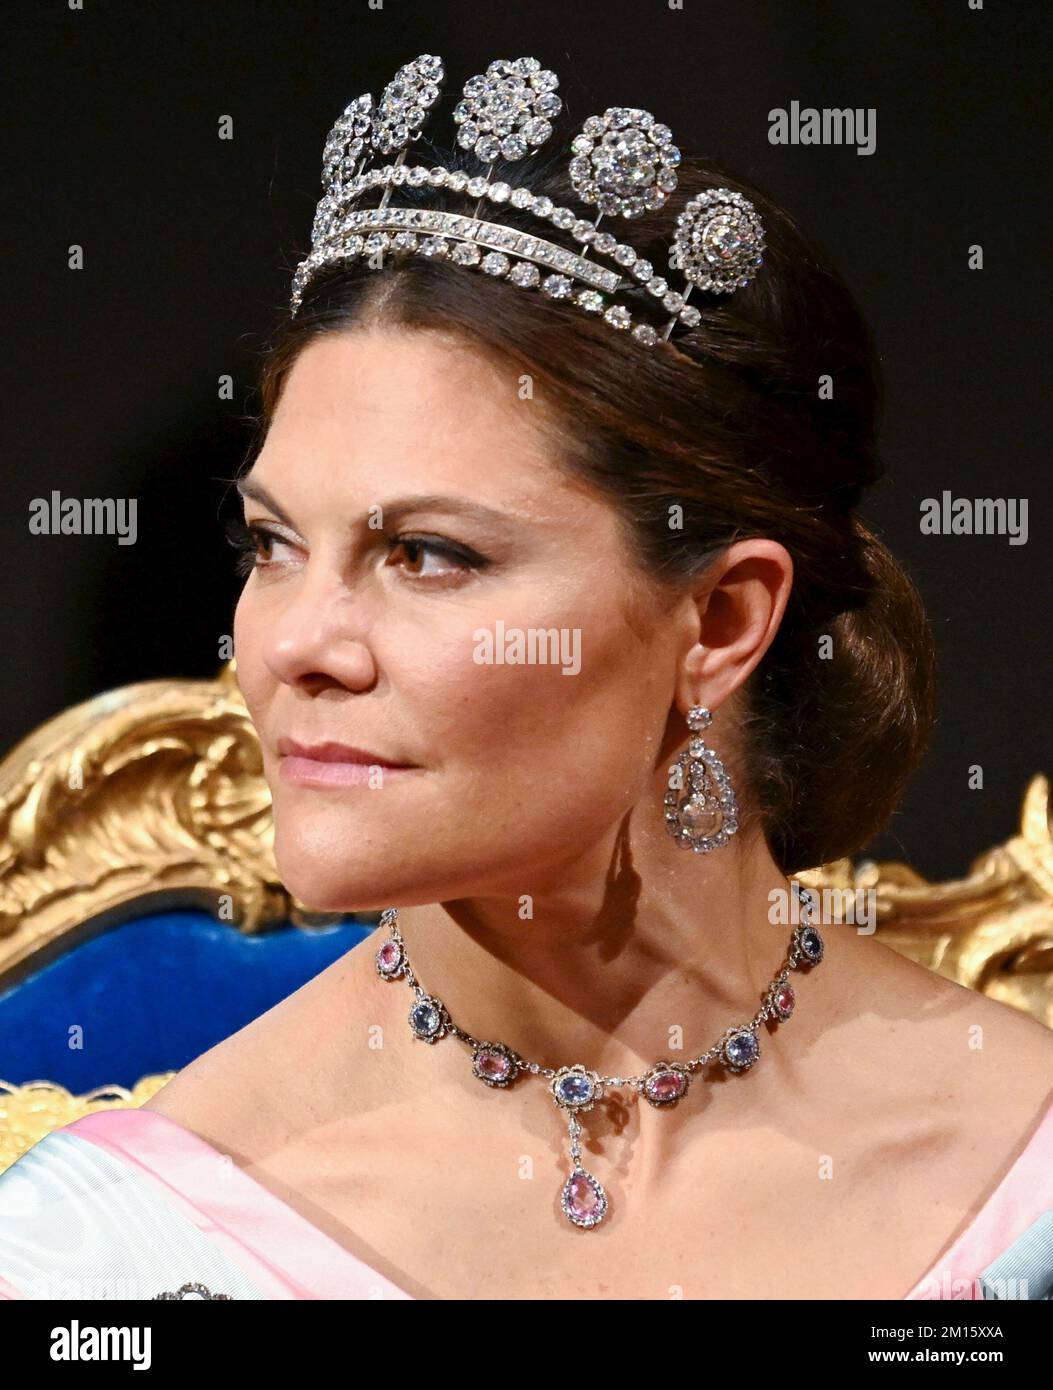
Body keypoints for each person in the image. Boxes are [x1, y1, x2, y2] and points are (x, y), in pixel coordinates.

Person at [3, 54, 1052, 1302]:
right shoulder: (100, 1259)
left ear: (718, 619)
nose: (291, 645)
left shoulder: (1019, 1173)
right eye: (274, 545)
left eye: (426, 555)